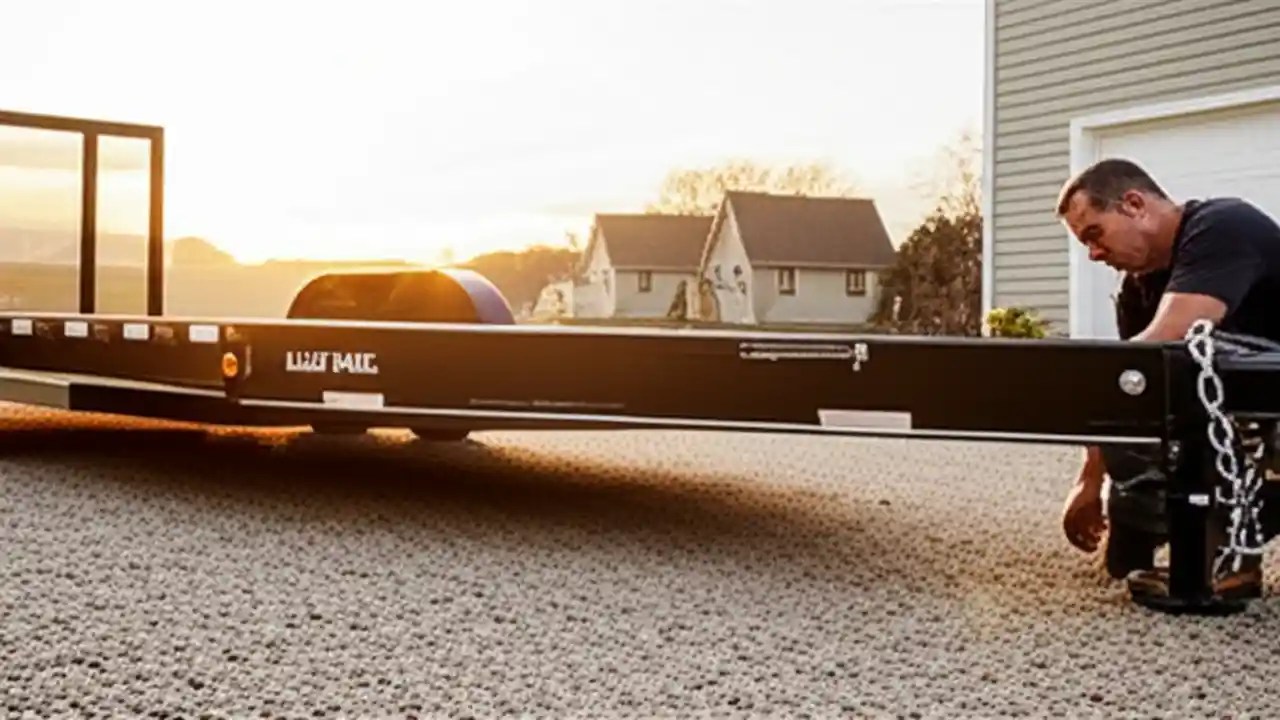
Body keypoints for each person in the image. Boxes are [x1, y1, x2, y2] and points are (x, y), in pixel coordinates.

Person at [1054, 158, 1280, 596]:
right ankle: (1172, 532)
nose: (1094, 254)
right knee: (1125, 563)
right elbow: (1130, 392)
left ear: (1134, 205)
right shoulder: (1136, 289)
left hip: (1269, 414)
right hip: (1238, 416)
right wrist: (1091, 478)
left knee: (1193, 358)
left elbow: (1170, 341)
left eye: (1095, 234)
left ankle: (1227, 552)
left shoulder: (1223, 225)